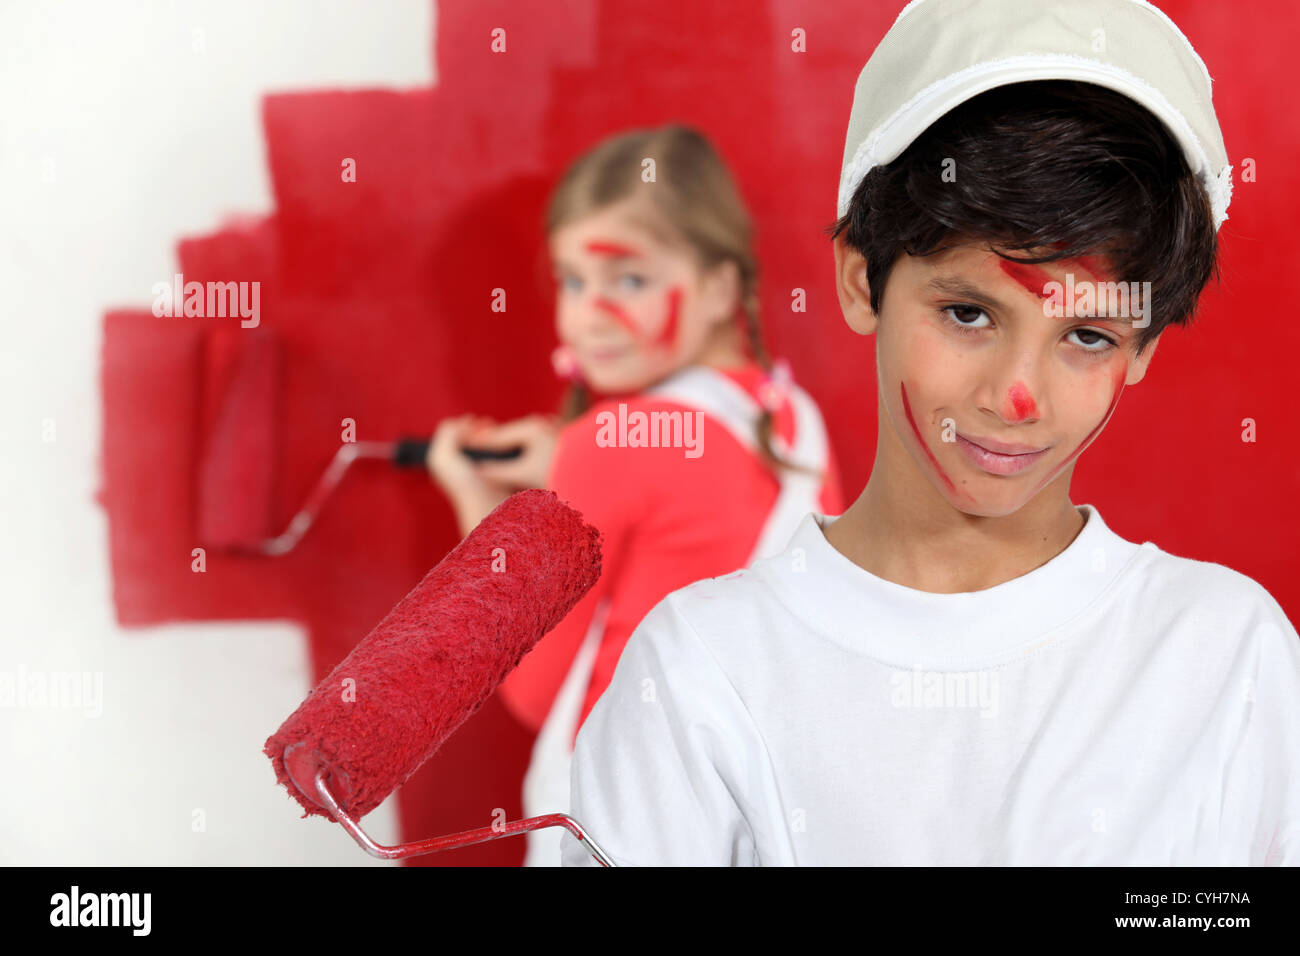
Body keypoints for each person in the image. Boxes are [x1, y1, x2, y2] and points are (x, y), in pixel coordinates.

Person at [562, 0, 1300, 865]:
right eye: (967, 313)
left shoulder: (1228, 657)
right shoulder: (698, 671)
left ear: (1142, 350)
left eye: (1088, 335)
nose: (1015, 397)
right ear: (860, 282)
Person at [426, 124, 845, 866]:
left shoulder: (604, 445)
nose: (590, 313)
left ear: (718, 288)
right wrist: (569, 474)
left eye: (629, 280)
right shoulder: (792, 418)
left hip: (622, 830)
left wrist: (478, 508)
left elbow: (530, 694)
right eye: (572, 281)